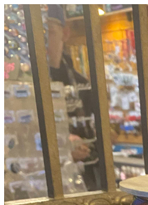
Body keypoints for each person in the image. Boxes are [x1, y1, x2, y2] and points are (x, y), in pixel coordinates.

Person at [45, 5, 102, 190]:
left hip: (87, 180)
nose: (43, 40)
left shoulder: (82, 83)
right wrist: (62, 145)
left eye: (49, 32)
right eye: (37, 33)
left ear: (65, 33)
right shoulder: (23, 86)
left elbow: (99, 133)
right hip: (46, 182)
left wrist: (86, 146)